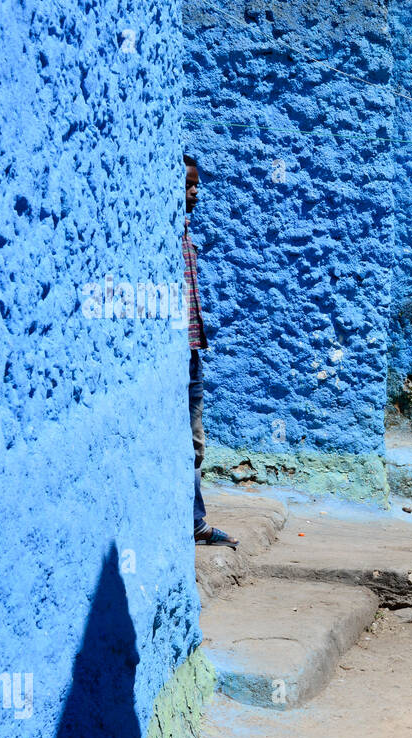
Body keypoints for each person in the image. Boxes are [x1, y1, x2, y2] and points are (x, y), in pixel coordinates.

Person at [184, 154, 238, 549]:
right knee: (192, 442)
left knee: (195, 442)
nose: (196, 193)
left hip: (191, 352)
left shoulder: (185, 236)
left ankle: (194, 517)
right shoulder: (173, 238)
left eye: (197, 185)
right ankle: (194, 521)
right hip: (182, 356)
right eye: (190, 185)